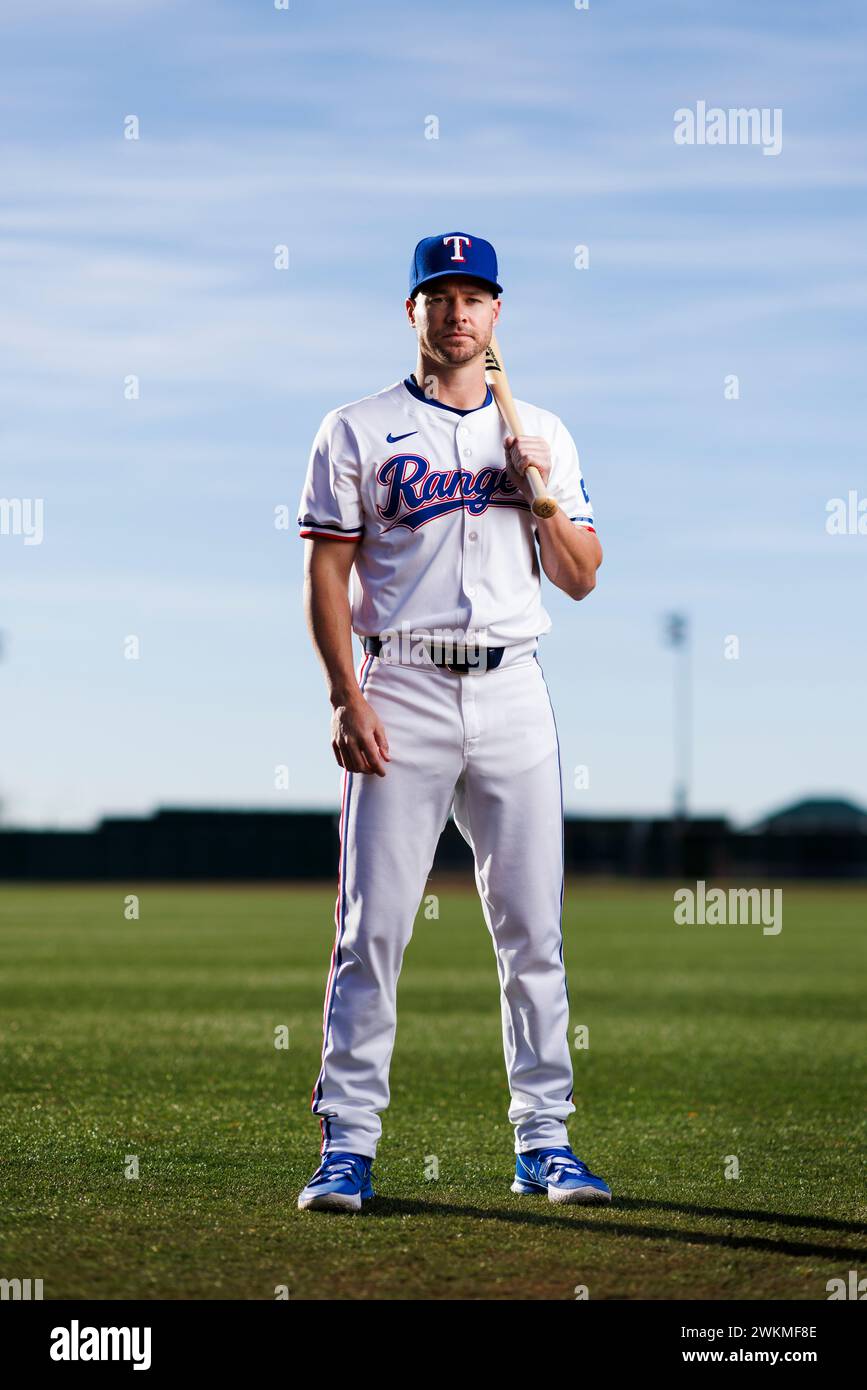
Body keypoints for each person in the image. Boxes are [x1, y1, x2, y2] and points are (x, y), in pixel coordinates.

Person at [295, 231, 610, 1212]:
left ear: (497, 315)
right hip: (403, 686)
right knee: (372, 928)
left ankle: (545, 1142)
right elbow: (327, 573)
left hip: (515, 685)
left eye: (475, 296)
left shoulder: (544, 433)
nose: (458, 311)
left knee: (533, 928)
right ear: (413, 312)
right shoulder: (356, 428)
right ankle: (346, 1144)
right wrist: (347, 695)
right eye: (440, 295)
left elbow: (584, 575)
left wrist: (540, 493)